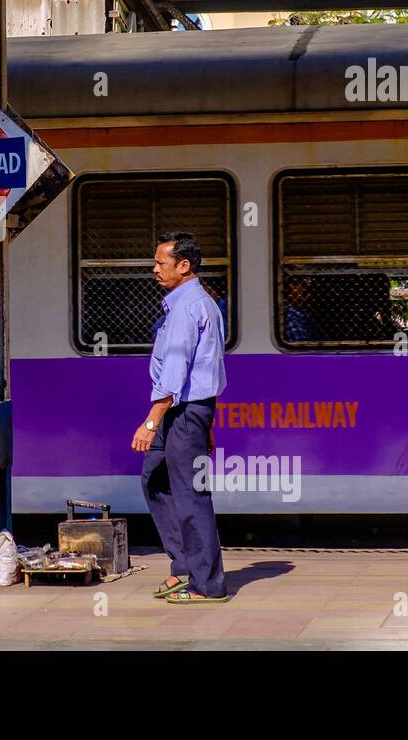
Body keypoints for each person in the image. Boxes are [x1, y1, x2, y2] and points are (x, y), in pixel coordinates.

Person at [132, 231, 229, 603]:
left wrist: (151, 421)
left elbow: (176, 373)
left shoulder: (189, 308)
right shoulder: (186, 304)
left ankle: (208, 584)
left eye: (161, 262)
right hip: (186, 412)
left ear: (183, 266)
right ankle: (185, 566)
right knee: (154, 480)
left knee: (191, 496)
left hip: (181, 412)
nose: (155, 269)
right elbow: (207, 369)